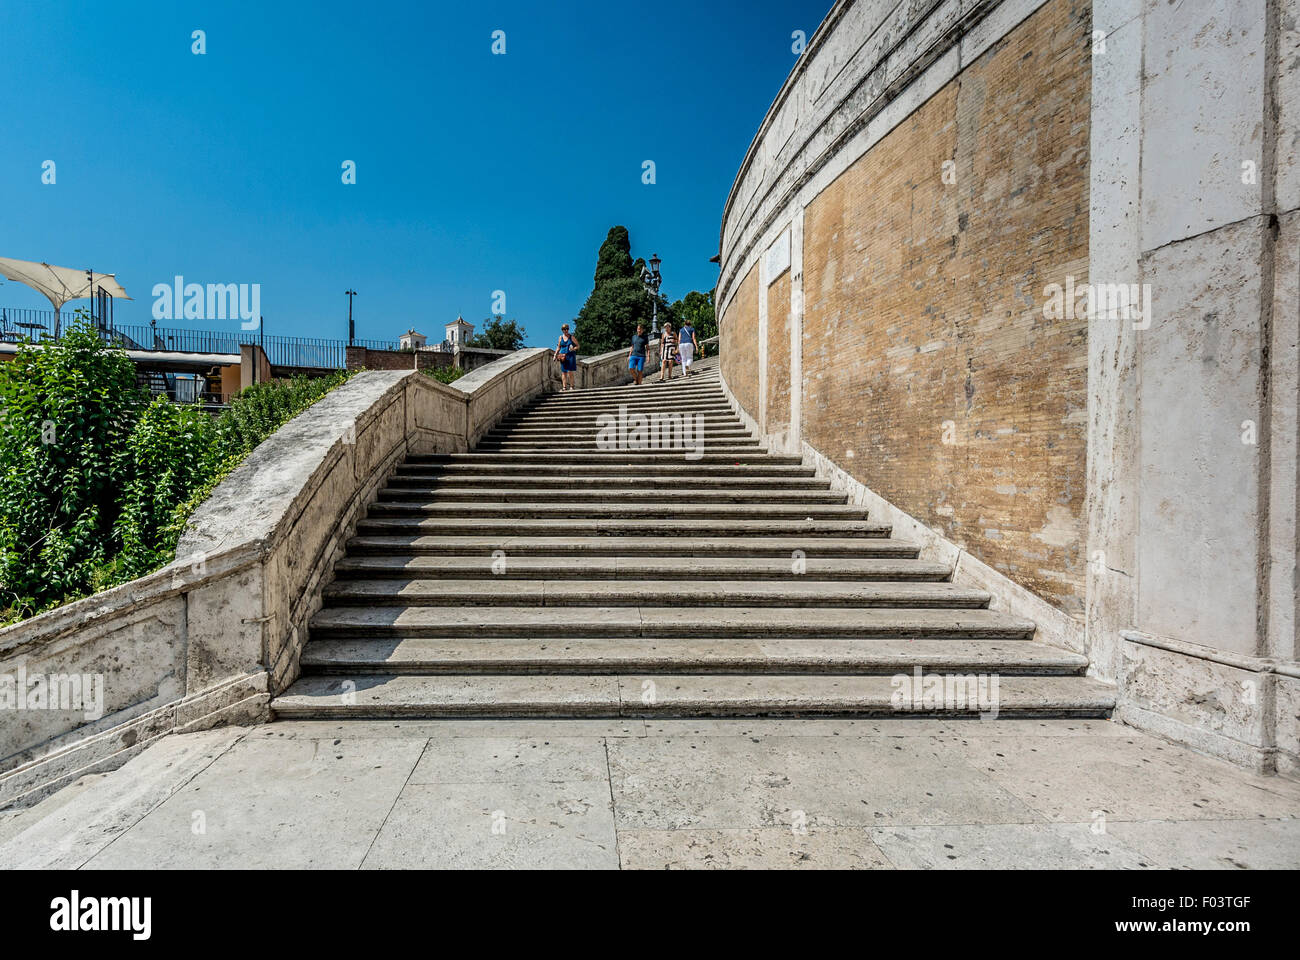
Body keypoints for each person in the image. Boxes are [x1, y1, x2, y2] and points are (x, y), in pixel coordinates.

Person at [555, 323, 579, 391]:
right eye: (564, 329)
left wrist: (573, 349)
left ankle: (572, 386)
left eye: (567, 329)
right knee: (563, 372)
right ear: (562, 330)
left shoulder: (571, 337)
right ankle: (564, 387)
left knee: (570, 372)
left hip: (570, 355)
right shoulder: (560, 337)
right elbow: (558, 347)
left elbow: (578, 345)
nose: (566, 330)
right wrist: (555, 355)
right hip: (562, 356)